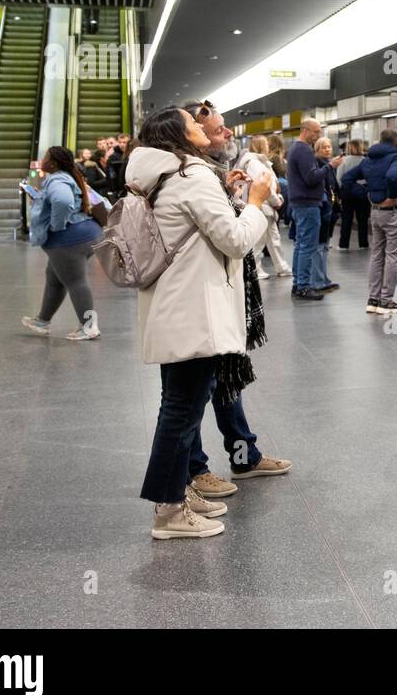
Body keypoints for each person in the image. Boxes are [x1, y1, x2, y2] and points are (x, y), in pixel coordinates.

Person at [128, 106, 276, 539]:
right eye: (194, 124)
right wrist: (254, 204)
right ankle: (169, 511)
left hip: (172, 308)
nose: (202, 128)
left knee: (178, 405)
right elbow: (234, 240)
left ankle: (176, 493)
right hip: (195, 312)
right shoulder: (191, 176)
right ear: (179, 137)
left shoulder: (153, 177)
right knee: (181, 411)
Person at [20, 146, 103, 339]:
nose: (43, 160)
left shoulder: (57, 180)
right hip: (87, 233)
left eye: (46, 157)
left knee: (76, 281)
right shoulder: (68, 176)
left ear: (54, 163)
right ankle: (42, 320)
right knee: (54, 278)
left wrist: (57, 225)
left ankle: (88, 327)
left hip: (69, 240)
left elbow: (64, 202)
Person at [343, 130, 397, 315]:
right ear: (396, 140)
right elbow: (392, 176)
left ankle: (373, 299)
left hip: (376, 213)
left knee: (376, 255)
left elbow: (347, 179)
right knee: (393, 257)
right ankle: (386, 301)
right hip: (392, 213)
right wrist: (392, 196)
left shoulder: (368, 159)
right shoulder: (395, 157)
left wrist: (367, 195)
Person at [236, 135, 291, 280]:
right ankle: (255, 269)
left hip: (267, 207)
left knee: (274, 239)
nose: (268, 146)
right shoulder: (254, 163)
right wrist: (276, 200)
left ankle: (281, 266)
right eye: (266, 143)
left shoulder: (260, 162)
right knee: (259, 241)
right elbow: (263, 186)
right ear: (261, 145)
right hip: (262, 207)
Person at [286, 117, 329, 300]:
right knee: (308, 246)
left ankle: (298, 283)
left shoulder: (295, 148)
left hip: (299, 202)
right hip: (307, 204)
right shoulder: (303, 150)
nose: (318, 135)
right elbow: (311, 177)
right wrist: (329, 167)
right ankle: (304, 285)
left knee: (301, 245)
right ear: (306, 130)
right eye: (316, 131)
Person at [311, 135, 340, 293]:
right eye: (324, 147)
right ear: (317, 150)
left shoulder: (329, 166)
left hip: (330, 210)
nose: (328, 149)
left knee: (325, 246)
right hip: (322, 209)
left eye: (329, 146)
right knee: (319, 247)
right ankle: (317, 280)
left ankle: (323, 278)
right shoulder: (319, 165)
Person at [337, 140, 369, 250]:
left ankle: (343, 244)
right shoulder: (365, 161)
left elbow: (339, 178)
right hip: (362, 193)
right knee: (362, 219)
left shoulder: (344, 161)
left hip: (347, 193)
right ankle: (363, 244)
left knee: (346, 219)